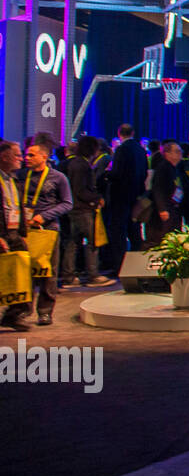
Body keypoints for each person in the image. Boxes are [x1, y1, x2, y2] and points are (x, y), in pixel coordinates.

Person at [16, 136, 72, 326]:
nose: (26, 157)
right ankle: (23, 310)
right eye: (25, 155)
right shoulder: (21, 175)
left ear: (44, 156)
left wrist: (45, 216)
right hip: (23, 230)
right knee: (23, 272)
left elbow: (67, 204)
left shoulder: (58, 178)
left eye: (31, 155)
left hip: (47, 229)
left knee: (47, 272)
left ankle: (45, 311)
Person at [60, 136, 110, 287]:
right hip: (83, 209)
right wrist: (97, 198)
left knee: (72, 243)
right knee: (92, 242)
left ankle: (69, 277)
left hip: (73, 209)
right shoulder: (82, 165)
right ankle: (93, 275)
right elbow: (81, 190)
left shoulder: (72, 163)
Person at [104, 123, 147, 274]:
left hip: (120, 197)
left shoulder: (122, 150)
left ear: (119, 133)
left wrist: (105, 174)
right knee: (135, 233)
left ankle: (120, 267)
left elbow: (117, 173)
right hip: (136, 196)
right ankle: (136, 266)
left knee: (118, 233)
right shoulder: (141, 150)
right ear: (133, 133)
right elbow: (144, 173)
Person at [0, 141, 31, 331]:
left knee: (21, 274)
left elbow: (17, 207)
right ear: (4, 156)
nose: (21, 159)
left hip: (14, 233)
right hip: (2, 234)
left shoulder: (13, 180)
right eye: (17, 155)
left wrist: (23, 234)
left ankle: (14, 314)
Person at [146, 141, 183, 246]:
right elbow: (158, 189)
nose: (180, 154)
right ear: (167, 154)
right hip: (165, 210)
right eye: (176, 151)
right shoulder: (163, 168)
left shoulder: (175, 168)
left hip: (174, 208)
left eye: (180, 151)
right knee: (165, 239)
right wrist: (162, 209)